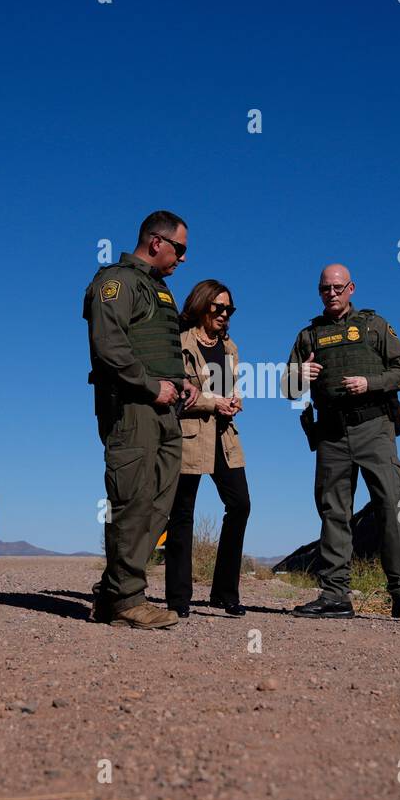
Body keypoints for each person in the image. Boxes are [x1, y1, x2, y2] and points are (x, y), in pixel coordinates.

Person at [283, 264, 400, 619]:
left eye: (337, 288)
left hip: (374, 428)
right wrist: (298, 376)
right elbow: (287, 390)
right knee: (334, 512)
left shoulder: (374, 326)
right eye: (324, 289)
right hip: (331, 433)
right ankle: (335, 597)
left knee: (392, 507)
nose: (331, 294)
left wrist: (370, 383)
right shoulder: (308, 336)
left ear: (351, 288)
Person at [83, 210, 199, 629]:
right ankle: (128, 601)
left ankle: (114, 590)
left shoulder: (159, 289)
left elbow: (153, 345)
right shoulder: (117, 282)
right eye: (179, 249)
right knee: (132, 502)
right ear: (156, 242)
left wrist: (181, 381)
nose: (183, 259)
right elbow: (108, 345)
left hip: (166, 409)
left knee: (160, 503)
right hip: (132, 409)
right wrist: (151, 386)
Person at [164, 280, 251, 617]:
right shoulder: (180, 342)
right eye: (218, 307)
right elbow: (180, 393)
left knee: (240, 505)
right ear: (202, 305)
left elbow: (231, 388)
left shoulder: (230, 347)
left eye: (229, 309)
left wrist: (234, 401)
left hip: (225, 438)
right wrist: (216, 403)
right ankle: (178, 598)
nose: (224, 314)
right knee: (182, 514)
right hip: (188, 437)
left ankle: (225, 592)